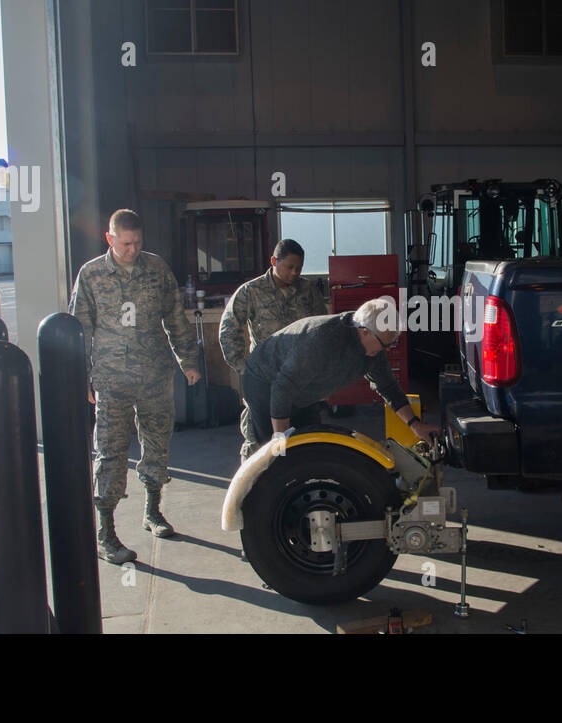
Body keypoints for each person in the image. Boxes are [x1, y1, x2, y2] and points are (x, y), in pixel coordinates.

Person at [69, 209, 201, 564]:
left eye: (138, 242)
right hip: (111, 380)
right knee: (110, 453)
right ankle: (106, 533)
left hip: (154, 376)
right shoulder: (91, 275)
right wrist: (81, 376)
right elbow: (80, 329)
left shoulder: (156, 269)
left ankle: (153, 512)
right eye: (125, 243)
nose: (132, 249)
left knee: (157, 445)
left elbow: (175, 316)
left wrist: (188, 361)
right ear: (109, 239)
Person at [240, 296, 436, 457]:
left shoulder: (373, 351)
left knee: (311, 450)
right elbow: (282, 386)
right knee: (273, 456)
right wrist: (280, 438)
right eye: (385, 344)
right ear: (364, 331)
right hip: (264, 381)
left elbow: (388, 387)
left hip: (302, 392)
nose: (386, 350)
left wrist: (415, 425)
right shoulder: (323, 340)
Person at [219, 238, 328, 461]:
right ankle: (255, 493)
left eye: (299, 268)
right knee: (261, 448)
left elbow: (322, 330)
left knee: (307, 443)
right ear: (273, 261)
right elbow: (228, 331)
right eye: (289, 267)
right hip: (265, 383)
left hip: (302, 383)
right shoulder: (251, 291)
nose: (294, 273)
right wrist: (245, 370)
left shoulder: (308, 291)